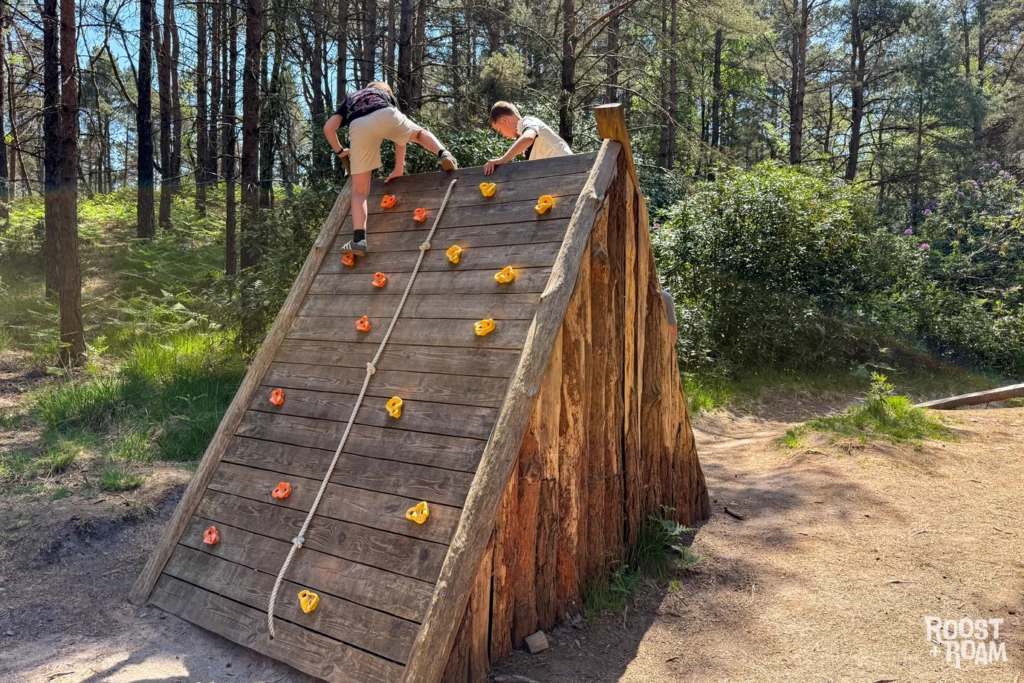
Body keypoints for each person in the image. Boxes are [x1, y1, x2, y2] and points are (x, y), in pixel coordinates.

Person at [323, 81, 458, 254]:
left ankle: (359, 240)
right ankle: (444, 154)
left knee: (360, 190)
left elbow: (328, 128)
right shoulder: (385, 95)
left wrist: (340, 151)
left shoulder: (351, 98)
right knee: (417, 133)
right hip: (385, 112)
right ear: (387, 90)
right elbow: (400, 139)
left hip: (357, 125)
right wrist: (398, 168)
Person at [483, 101, 572, 176]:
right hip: (557, 169)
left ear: (504, 121)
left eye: (500, 130)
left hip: (565, 165)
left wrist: (502, 159)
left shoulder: (527, 122)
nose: (502, 134)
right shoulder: (522, 133)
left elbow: (528, 138)